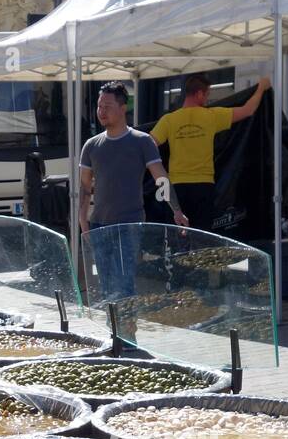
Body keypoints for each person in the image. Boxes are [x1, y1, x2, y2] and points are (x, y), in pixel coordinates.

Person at [79, 81, 187, 301]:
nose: (101, 111)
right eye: (99, 106)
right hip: (99, 225)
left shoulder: (142, 141)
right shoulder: (91, 145)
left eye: (107, 106)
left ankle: (128, 333)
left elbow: (161, 178)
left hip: (129, 224)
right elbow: (84, 187)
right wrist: (83, 222)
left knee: (125, 285)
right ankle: (112, 333)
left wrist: (176, 210)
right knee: (105, 287)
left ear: (123, 108)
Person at [151, 73, 271, 231]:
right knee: (202, 237)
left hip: (176, 186)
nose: (207, 99)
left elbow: (149, 144)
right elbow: (248, 110)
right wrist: (261, 88)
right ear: (199, 93)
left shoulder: (169, 120)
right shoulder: (211, 116)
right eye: (207, 94)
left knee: (176, 237)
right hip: (203, 185)